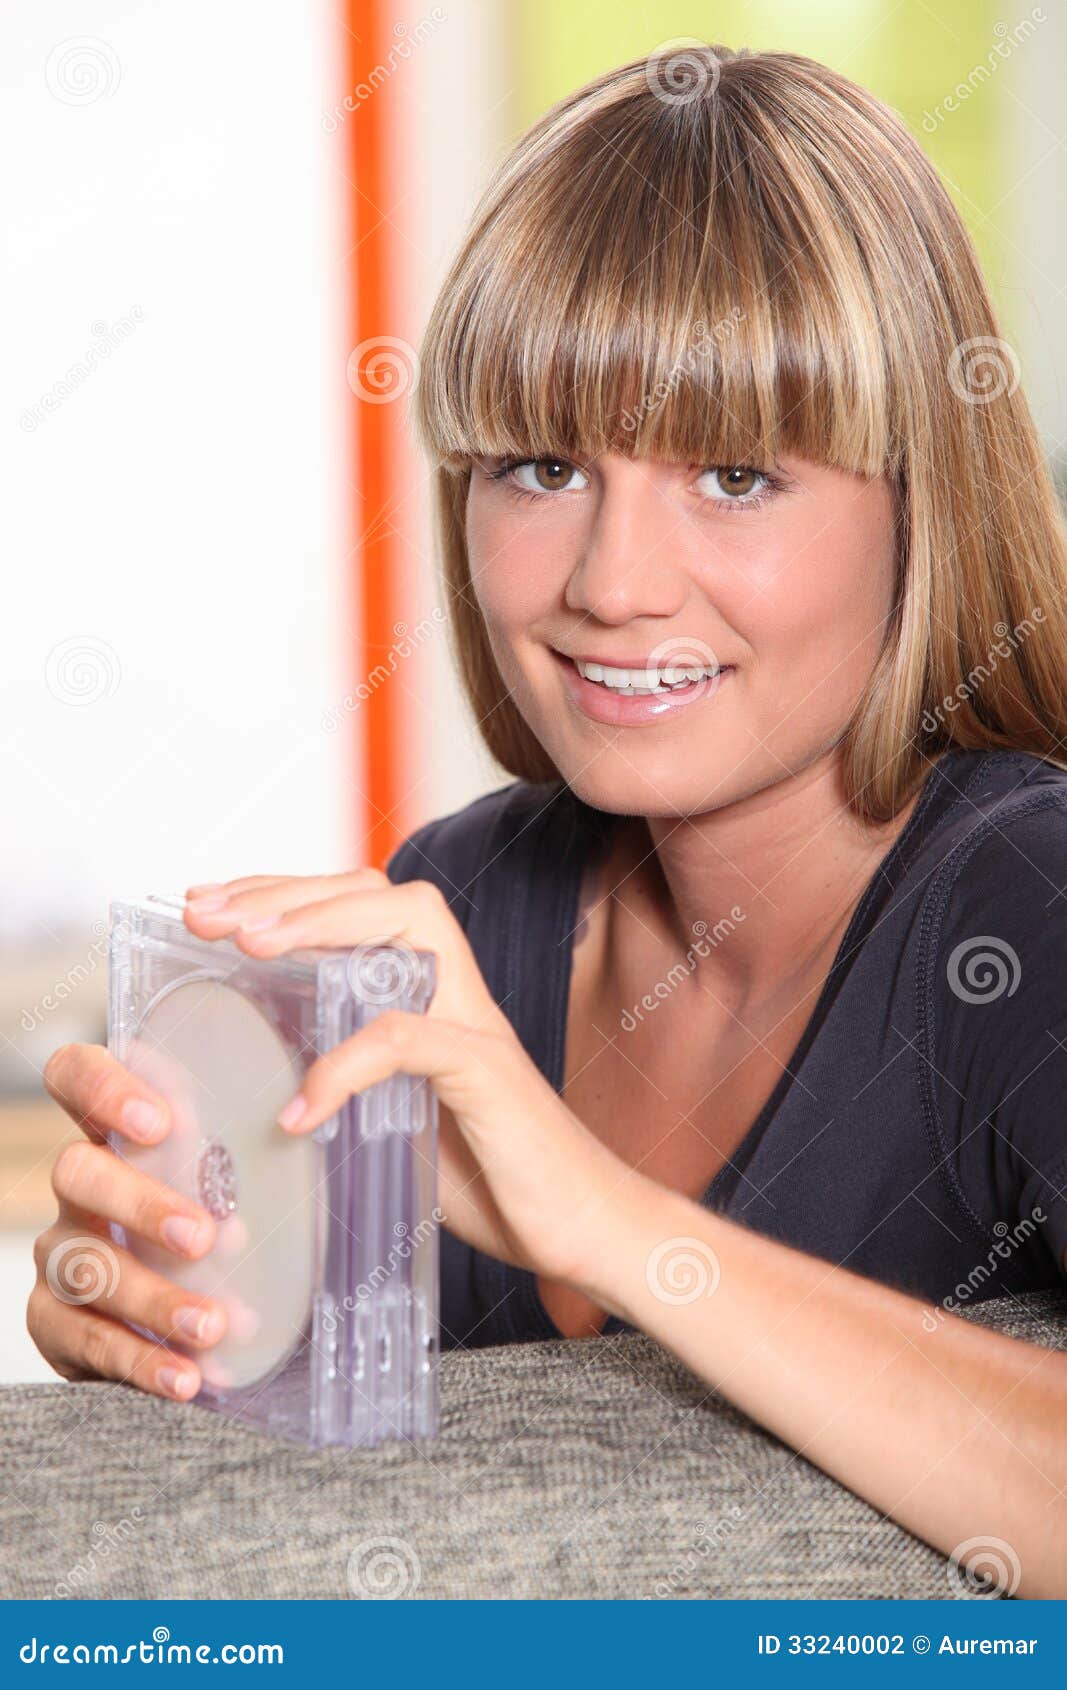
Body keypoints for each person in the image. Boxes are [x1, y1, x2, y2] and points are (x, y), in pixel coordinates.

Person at [30, 44, 1067, 1596]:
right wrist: (167, 1330)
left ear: (924, 501)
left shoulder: (1023, 907)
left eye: (733, 473)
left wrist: (602, 1218)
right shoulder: (463, 901)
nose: (609, 581)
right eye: (542, 464)